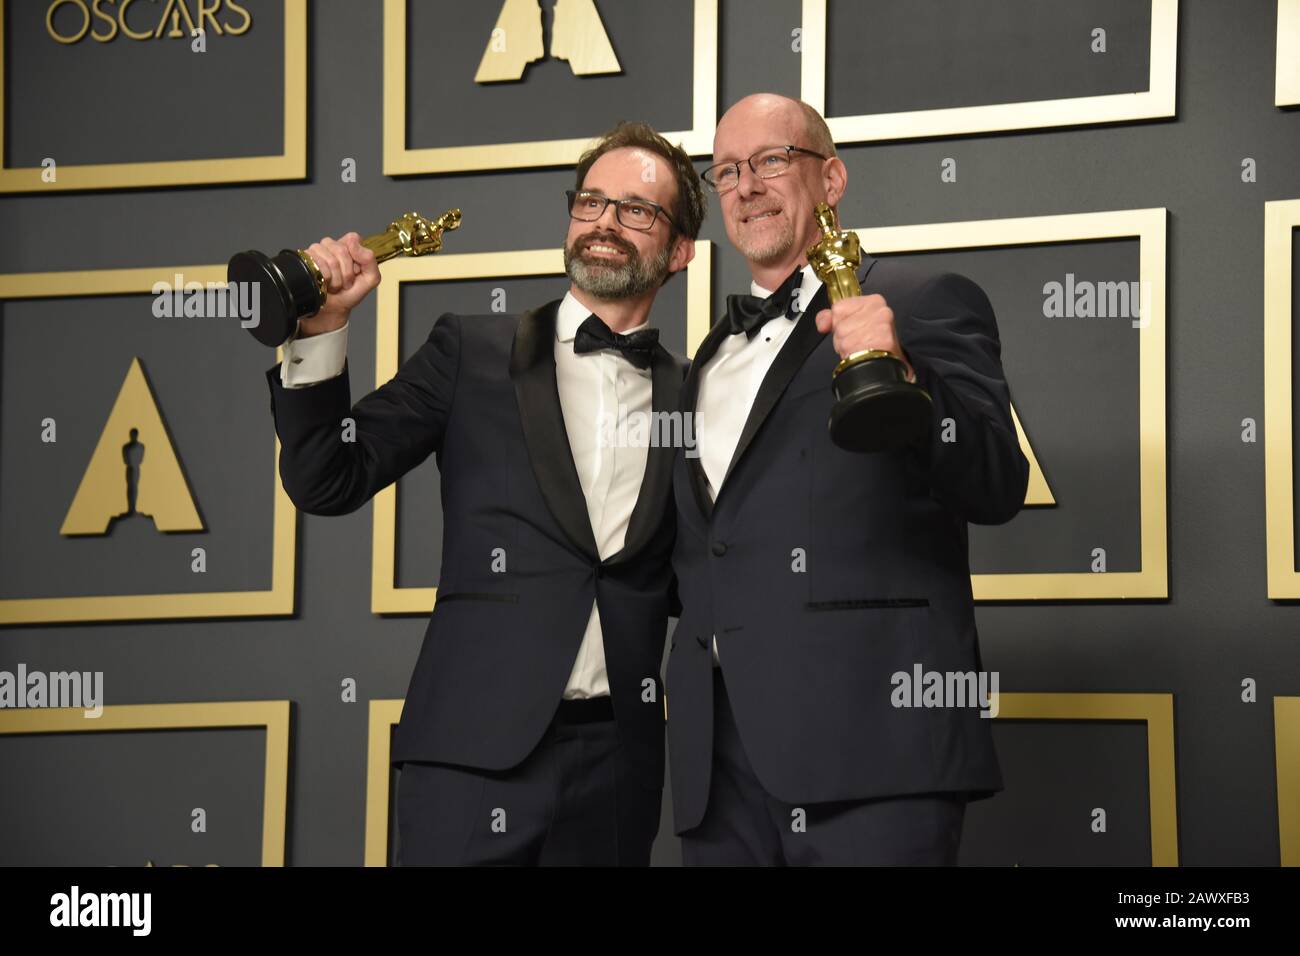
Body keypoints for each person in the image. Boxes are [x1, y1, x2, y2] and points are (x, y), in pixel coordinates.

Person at [264, 121, 705, 865]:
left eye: (637, 210)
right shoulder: (471, 350)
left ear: (681, 250)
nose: (604, 222)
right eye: (591, 201)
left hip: (620, 765)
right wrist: (322, 330)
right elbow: (326, 478)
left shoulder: (696, 393)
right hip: (470, 754)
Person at [665, 93, 1029, 865]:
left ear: (831, 180)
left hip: (876, 750)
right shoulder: (705, 359)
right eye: (726, 171)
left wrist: (908, 370)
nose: (745, 185)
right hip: (718, 765)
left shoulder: (923, 302)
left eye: (770, 161)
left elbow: (998, 482)